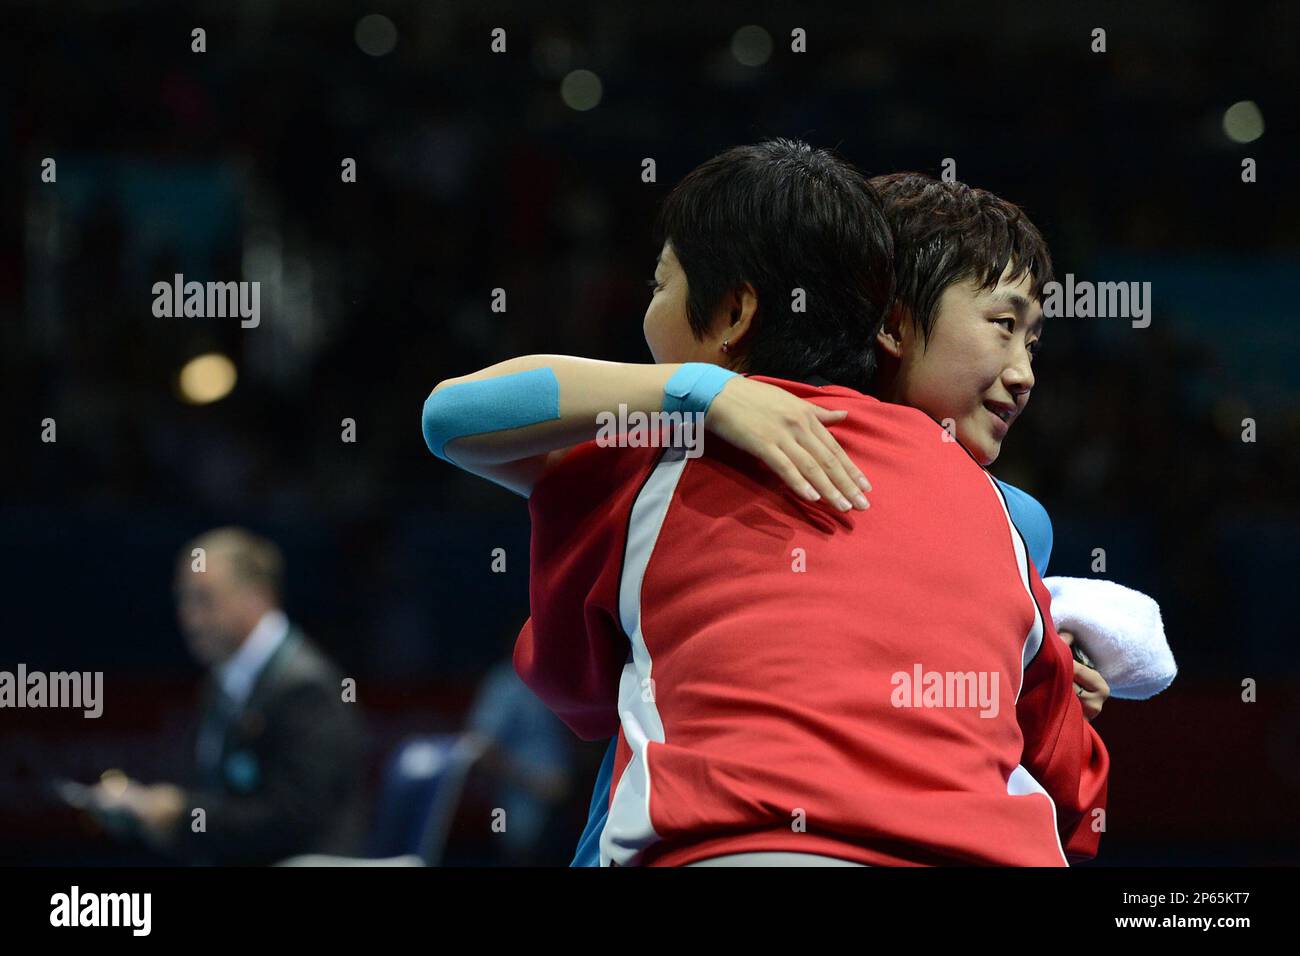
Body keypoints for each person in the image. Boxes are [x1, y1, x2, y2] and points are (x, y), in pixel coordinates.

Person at [422, 140, 1107, 866]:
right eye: (1004, 326)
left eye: (1031, 336)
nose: (1025, 372)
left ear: (737, 311)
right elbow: (1071, 778)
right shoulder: (1003, 516)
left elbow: (453, 419)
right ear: (889, 322)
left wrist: (693, 392)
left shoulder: (659, 451)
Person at [88, 527, 367, 865]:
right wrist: (149, 810)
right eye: (183, 599)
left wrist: (181, 814)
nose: (189, 617)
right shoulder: (222, 683)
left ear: (257, 597)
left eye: (204, 598)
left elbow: (297, 819)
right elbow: (215, 796)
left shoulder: (305, 689)